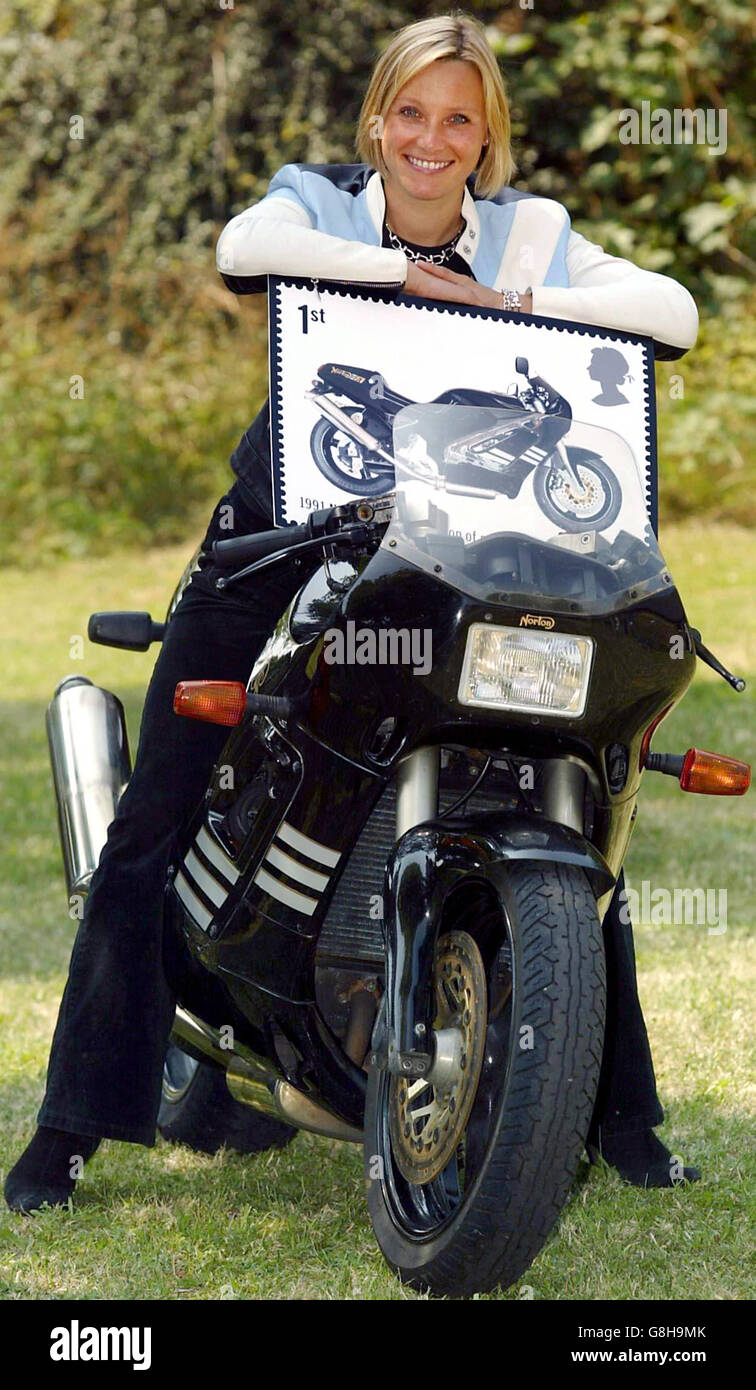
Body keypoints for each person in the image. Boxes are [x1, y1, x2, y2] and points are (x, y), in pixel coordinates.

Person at [6, 12, 700, 1215]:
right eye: (412, 114)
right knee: (155, 814)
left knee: (570, 783)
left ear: (486, 140)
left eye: (460, 120)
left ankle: (622, 1111)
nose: (432, 142)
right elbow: (245, 245)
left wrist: (511, 291)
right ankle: (70, 1126)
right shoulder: (316, 202)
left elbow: (674, 315)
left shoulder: (534, 229)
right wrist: (409, 280)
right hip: (288, 530)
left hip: (461, 551)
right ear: (377, 119)